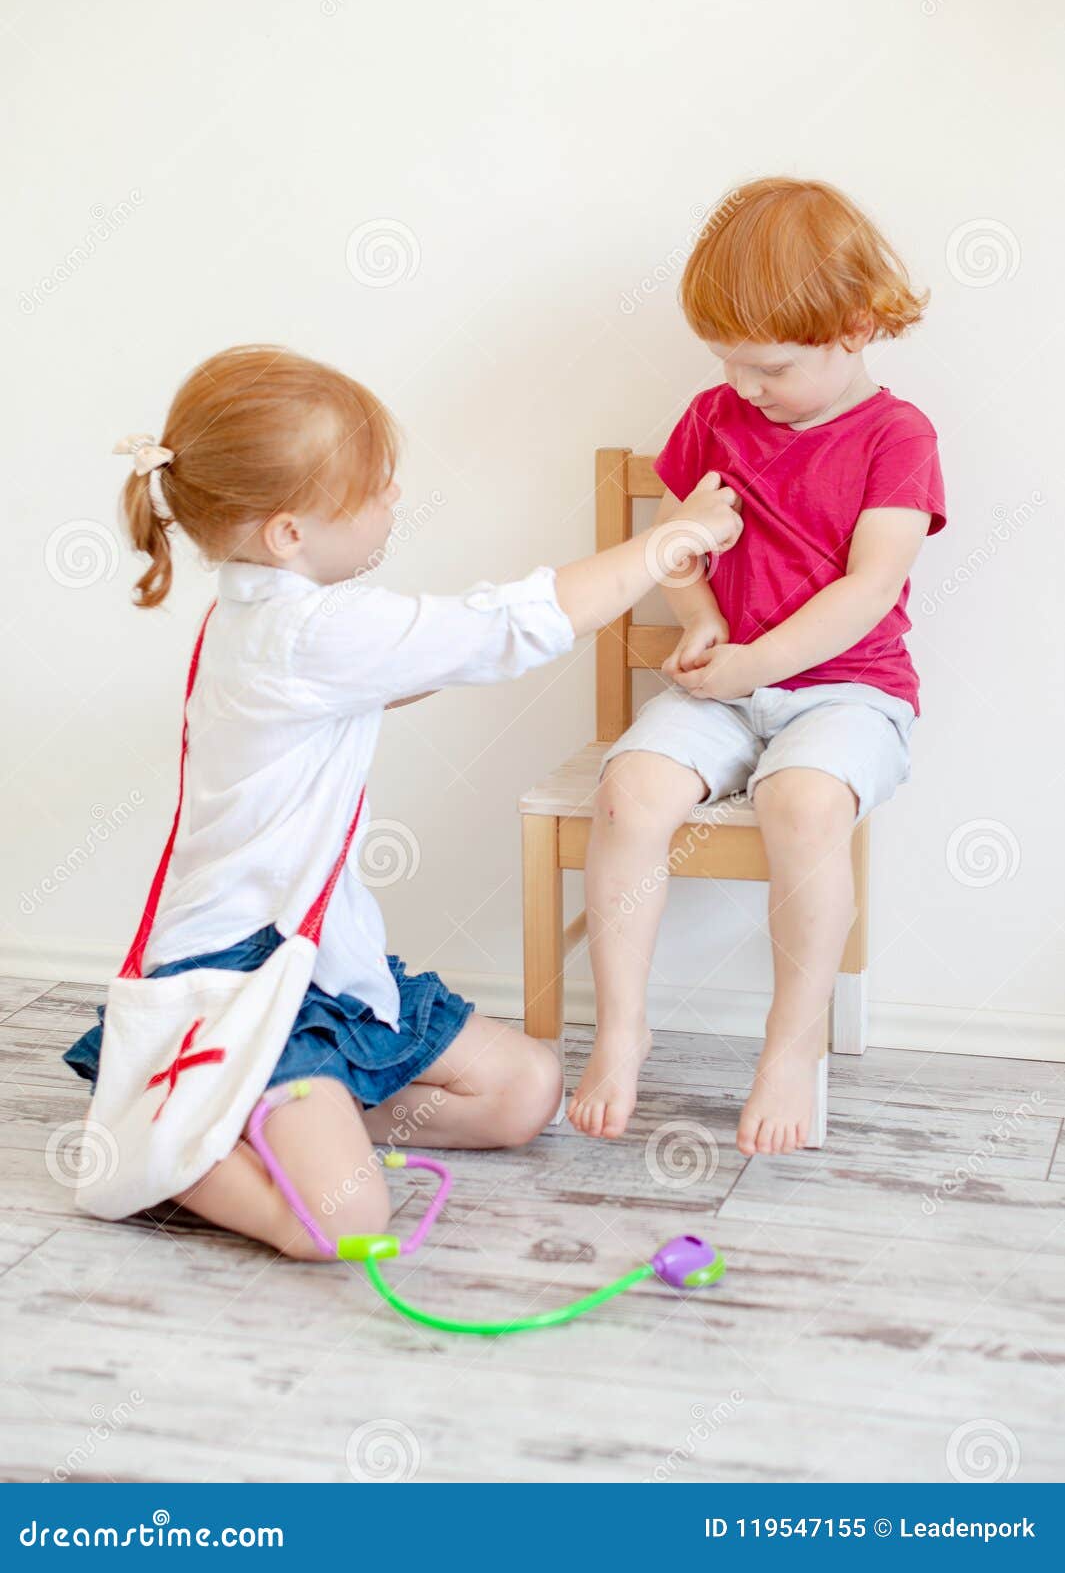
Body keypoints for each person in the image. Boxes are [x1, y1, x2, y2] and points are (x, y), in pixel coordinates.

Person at [62, 343, 743, 1257]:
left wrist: (456, 651)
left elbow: (413, 665)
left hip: (318, 959)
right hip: (244, 972)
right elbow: (508, 626)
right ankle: (169, 1150)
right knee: (340, 1223)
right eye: (375, 486)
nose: (392, 500)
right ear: (288, 533)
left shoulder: (268, 614)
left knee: (523, 1090)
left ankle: (297, 1118)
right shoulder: (306, 630)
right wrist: (670, 539)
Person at [569, 178, 947, 1156]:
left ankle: (789, 1045)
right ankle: (621, 1027)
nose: (744, 387)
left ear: (856, 328)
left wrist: (756, 666)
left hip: (848, 689)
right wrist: (695, 620)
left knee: (805, 807)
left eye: (769, 367)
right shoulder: (716, 415)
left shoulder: (897, 439)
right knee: (630, 790)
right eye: (728, 363)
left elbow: (868, 589)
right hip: (726, 681)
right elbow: (678, 533)